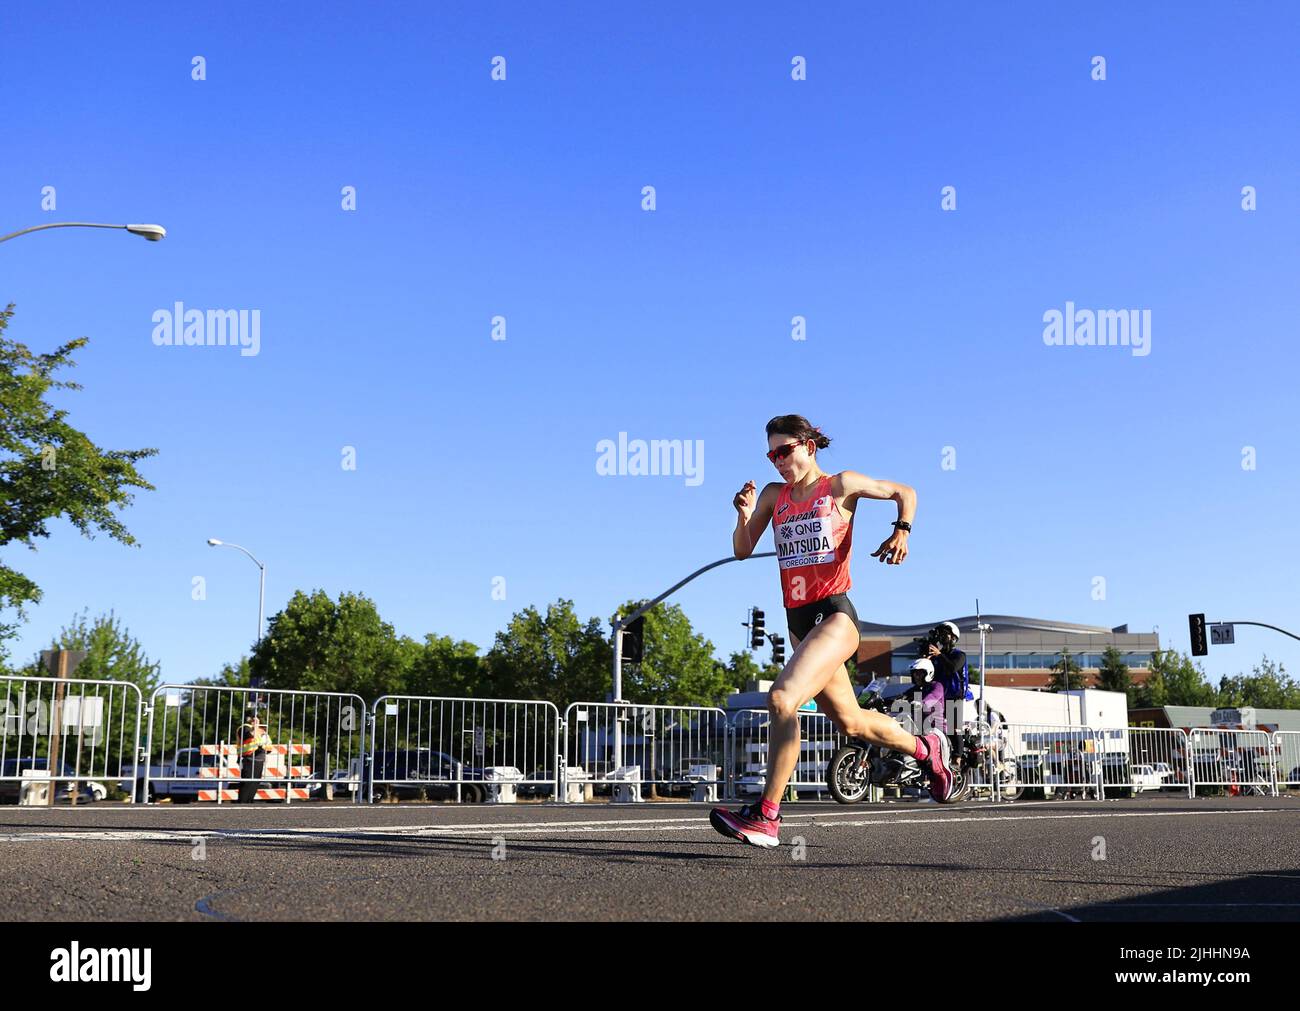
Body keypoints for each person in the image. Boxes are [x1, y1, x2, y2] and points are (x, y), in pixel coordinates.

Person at [710, 415, 955, 848]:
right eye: (771, 454)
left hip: (835, 616)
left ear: (809, 445)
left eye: (784, 451)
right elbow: (743, 549)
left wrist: (902, 531)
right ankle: (926, 750)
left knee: (782, 698)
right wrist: (744, 514)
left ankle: (766, 815)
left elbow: (905, 492)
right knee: (852, 723)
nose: (777, 461)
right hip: (799, 623)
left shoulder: (840, 485)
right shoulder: (774, 496)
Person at [237, 710, 272, 803]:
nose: (254, 720)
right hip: (249, 759)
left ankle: (249, 802)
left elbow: (269, 744)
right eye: (252, 718)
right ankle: (243, 802)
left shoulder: (261, 730)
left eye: (256, 718)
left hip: (259, 759)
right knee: (247, 783)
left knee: (255, 783)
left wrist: (264, 748)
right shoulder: (244, 728)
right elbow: (248, 735)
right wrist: (255, 727)